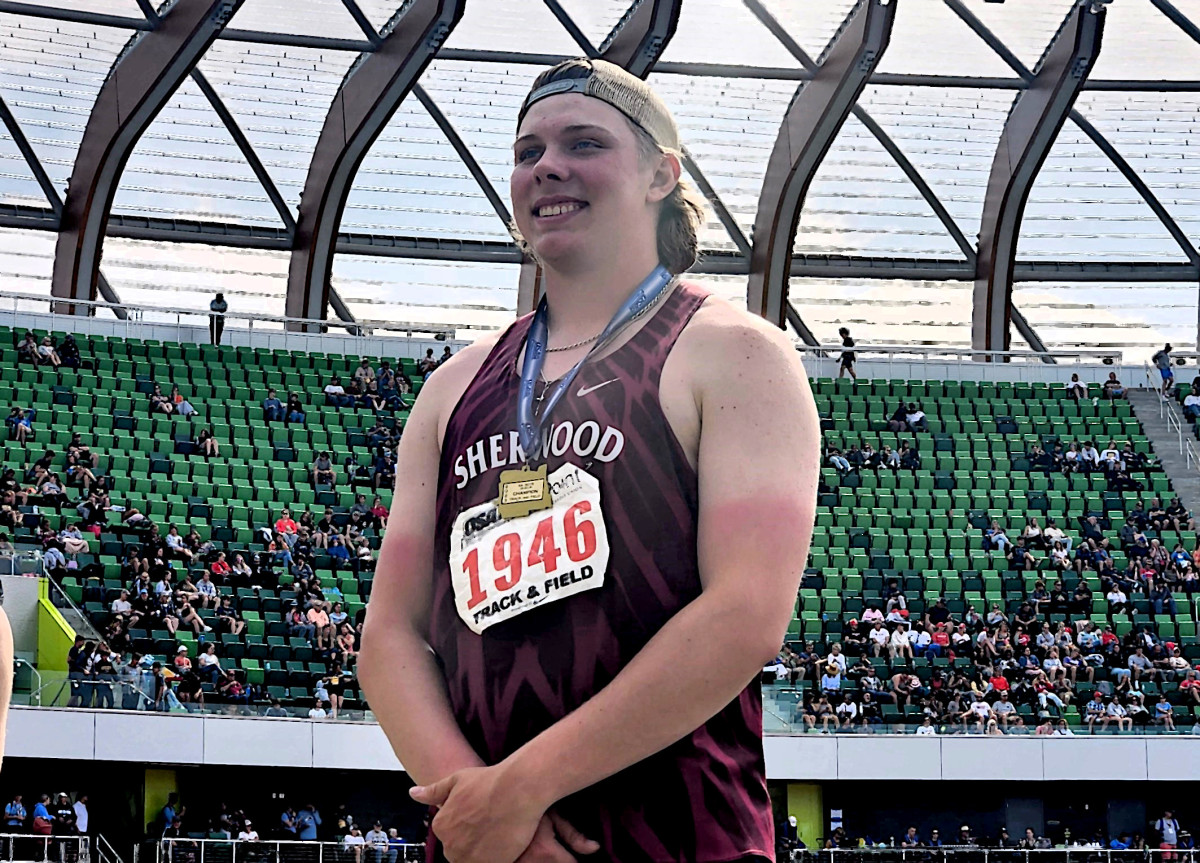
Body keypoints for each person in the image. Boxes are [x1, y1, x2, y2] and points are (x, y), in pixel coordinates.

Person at [359, 58, 818, 863]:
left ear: (659, 175)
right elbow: (390, 635)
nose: (548, 166)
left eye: (584, 143)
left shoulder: (737, 354)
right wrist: (490, 819)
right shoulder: (449, 390)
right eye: (527, 150)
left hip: (684, 838)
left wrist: (520, 790)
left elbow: (746, 614)